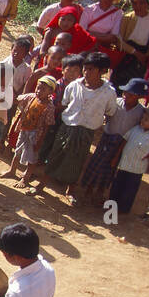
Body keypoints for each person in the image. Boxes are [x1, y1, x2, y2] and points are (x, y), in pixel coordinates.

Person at [39, 53, 120, 203]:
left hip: (87, 131)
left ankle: (71, 190)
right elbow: (65, 103)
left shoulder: (109, 93)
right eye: (85, 69)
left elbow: (110, 111)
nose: (86, 72)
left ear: (102, 71)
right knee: (56, 154)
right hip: (67, 126)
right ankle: (42, 184)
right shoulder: (74, 85)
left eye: (91, 69)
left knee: (78, 159)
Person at [109, 104, 149, 215]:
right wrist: (116, 157)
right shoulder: (136, 129)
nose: (142, 121)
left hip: (137, 170)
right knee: (117, 186)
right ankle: (111, 206)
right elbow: (124, 141)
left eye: (146, 120)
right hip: (123, 165)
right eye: (143, 118)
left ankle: (123, 210)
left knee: (129, 191)